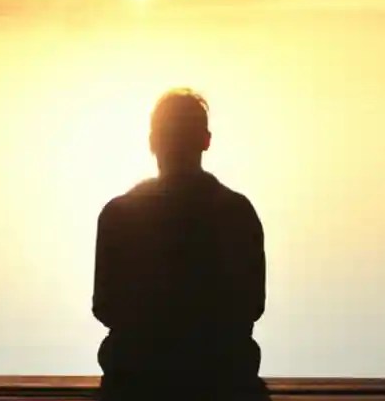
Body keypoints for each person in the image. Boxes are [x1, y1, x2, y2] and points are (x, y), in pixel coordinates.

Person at [93, 89, 266, 382]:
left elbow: (105, 307)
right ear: (206, 140)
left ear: (152, 142)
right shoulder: (237, 211)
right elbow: (253, 305)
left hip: (138, 369)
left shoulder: (118, 213)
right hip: (221, 369)